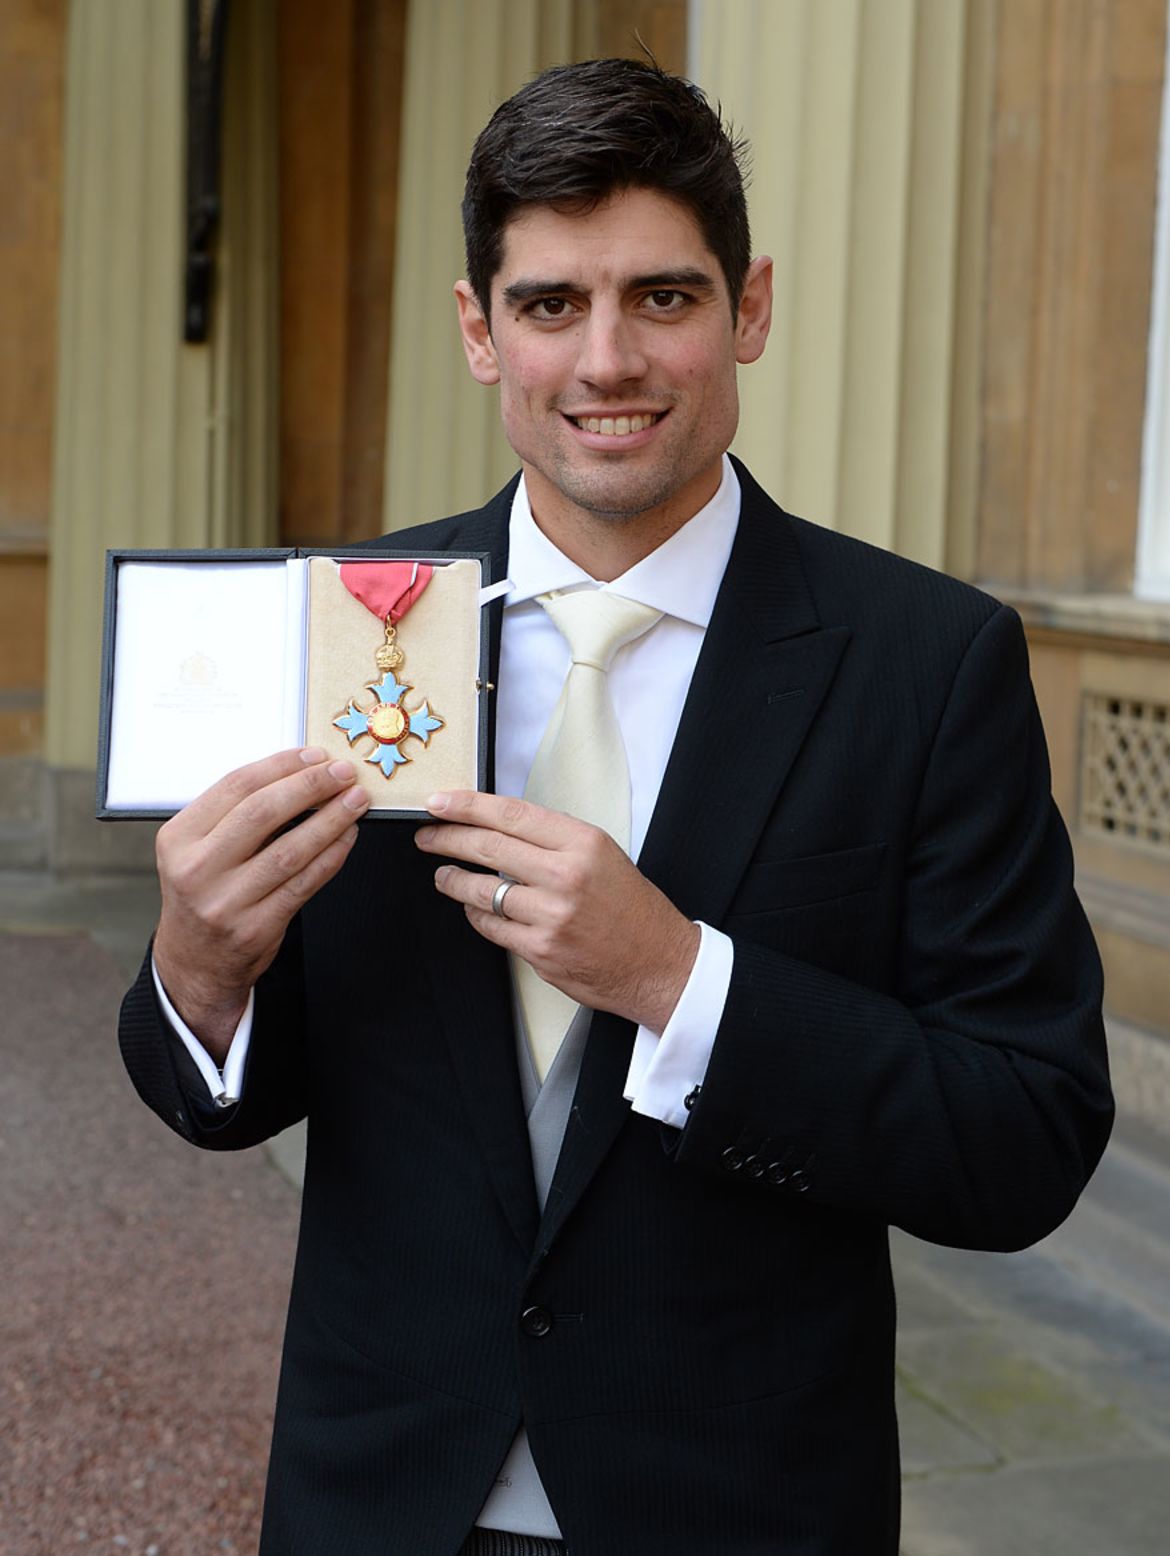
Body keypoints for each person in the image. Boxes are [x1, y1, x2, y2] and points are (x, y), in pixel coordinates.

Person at [119, 58, 1113, 1556]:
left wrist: (679, 979)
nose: (607, 361)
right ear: (478, 330)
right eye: (548, 306)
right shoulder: (348, 627)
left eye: (663, 297)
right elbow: (224, 1091)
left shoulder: (927, 663)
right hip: (380, 1497)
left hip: (739, 1505)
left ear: (750, 309)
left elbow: (1026, 1133)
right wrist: (201, 966)